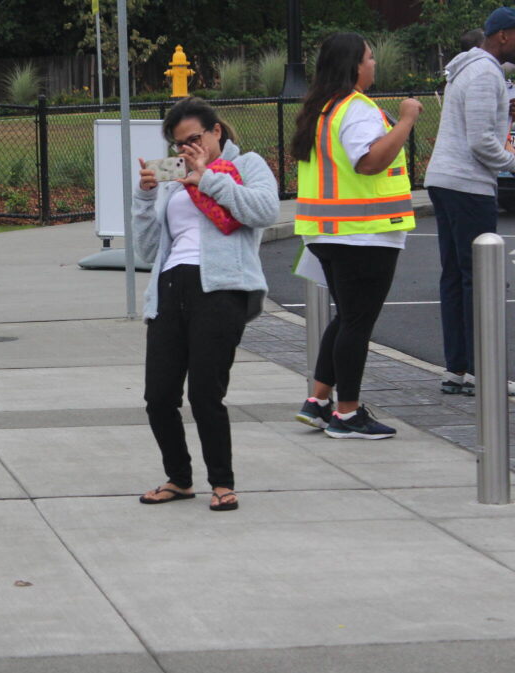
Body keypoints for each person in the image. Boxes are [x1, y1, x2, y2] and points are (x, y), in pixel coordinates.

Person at [133, 97, 278, 511]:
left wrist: (207, 178)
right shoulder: (174, 181)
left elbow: (264, 210)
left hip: (220, 288)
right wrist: (145, 198)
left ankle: (222, 482)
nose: (187, 150)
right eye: (180, 145)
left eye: (194, 139)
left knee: (204, 392)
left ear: (216, 132)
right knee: (158, 396)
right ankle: (179, 478)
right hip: (170, 286)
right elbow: (147, 250)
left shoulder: (246, 165)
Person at [291, 33, 423, 439]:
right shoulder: (357, 110)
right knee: (357, 324)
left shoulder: (322, 108)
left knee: (348, 318)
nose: (374, 63)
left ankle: (318, 400)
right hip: (363, 234)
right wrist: (405, 120)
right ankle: (347, 414)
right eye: (369, 57)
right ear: (354, 66)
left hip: (327, 231)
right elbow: (368, 162)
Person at [426, 7, 515, 398]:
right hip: (467, 185)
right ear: (503, 37)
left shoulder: (470, 68)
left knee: (457, 277)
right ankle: (483, 372)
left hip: (446, 181)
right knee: (477, 278)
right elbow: (481, 141)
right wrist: (512, 162)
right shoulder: (483, 74)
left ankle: (457, 370)